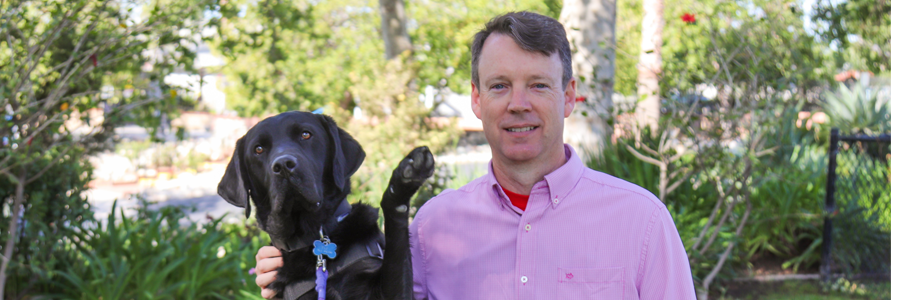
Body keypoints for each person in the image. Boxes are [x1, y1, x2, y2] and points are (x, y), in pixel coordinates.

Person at [254, 11, 696, 299]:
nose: (517, 103)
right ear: (477, 99)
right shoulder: (432, 227)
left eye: (538, 85)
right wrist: (295, 269)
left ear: (569, 96)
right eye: (500, 85)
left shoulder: (641, 223)